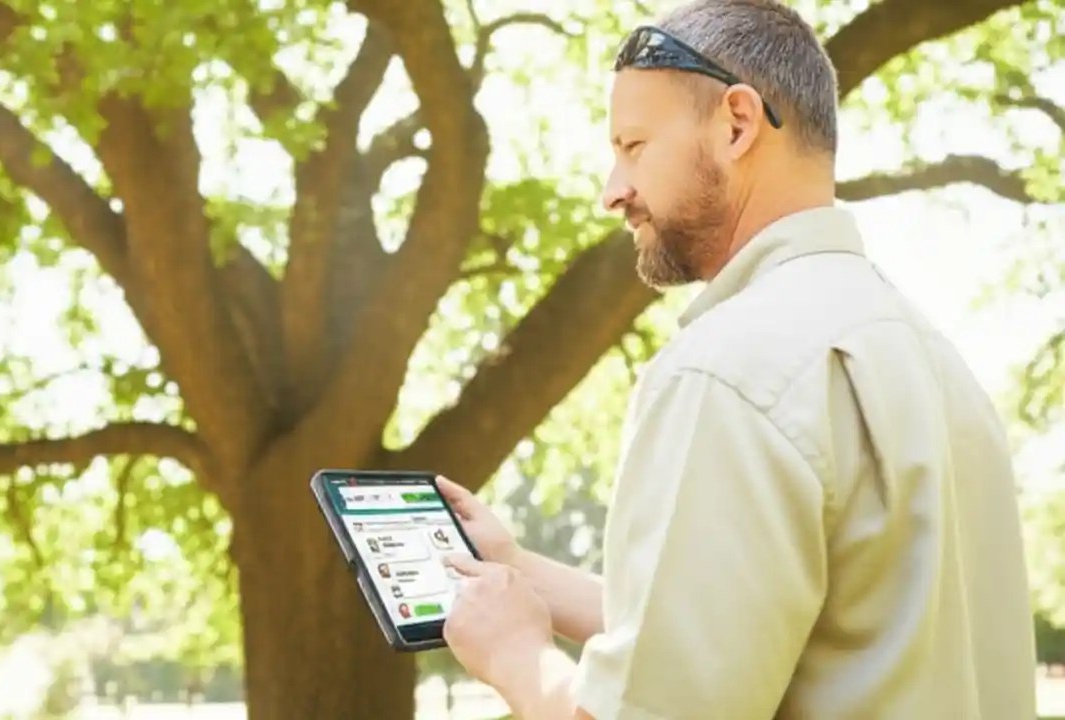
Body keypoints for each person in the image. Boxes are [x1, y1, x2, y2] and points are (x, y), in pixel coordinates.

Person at [438, 1, 1038, 718]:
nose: (612, 191)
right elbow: (746, 634)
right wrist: (515, 571)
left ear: (736, 124)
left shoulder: (725, 373)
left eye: (633, 145)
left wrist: (515, 657)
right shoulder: (933, 361)